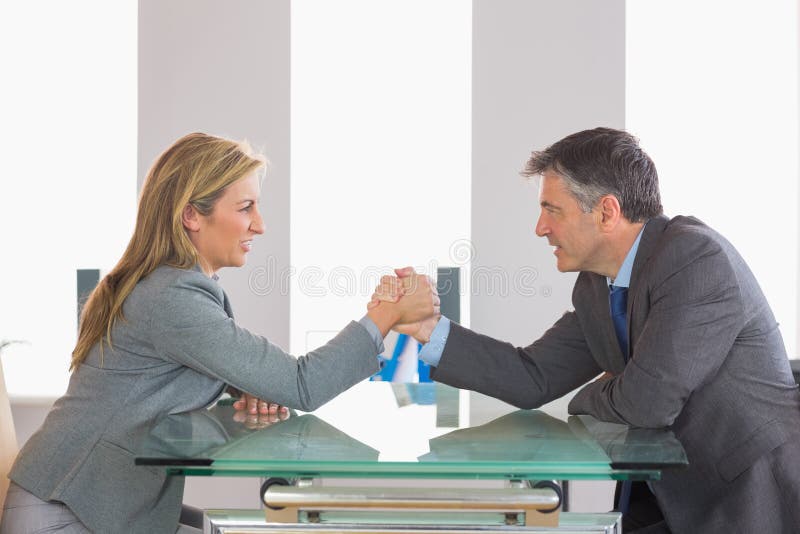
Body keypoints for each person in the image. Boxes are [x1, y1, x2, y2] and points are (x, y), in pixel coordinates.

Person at [0, 132, 439, 534]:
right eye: (246, 207)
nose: (260, 225)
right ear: (192, 215)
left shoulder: (175, 286)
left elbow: (198, 377)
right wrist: (387, 315)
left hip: (91, 505)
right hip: (66, 514)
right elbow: (303, 383)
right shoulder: (173, 296)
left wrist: (247, 386)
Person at [372, 128, 800, 533]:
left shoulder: (694, 259)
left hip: (747, 499)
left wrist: (588, 395)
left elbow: (647, 403)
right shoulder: (598, 285)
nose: (540, 228)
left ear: (607, 212)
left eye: (551, 210)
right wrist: (429, 329)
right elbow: (533, 376)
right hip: (671, 497)